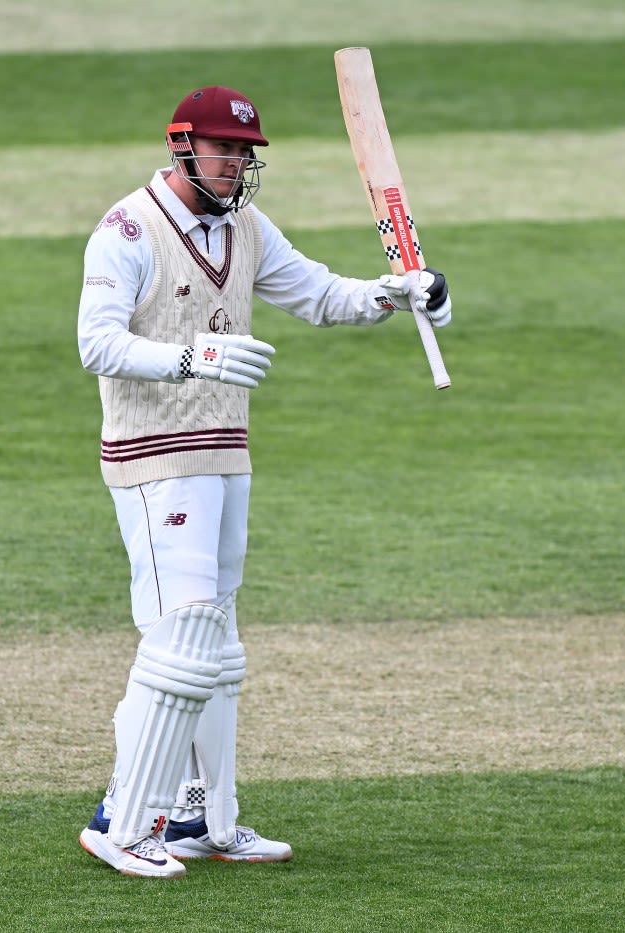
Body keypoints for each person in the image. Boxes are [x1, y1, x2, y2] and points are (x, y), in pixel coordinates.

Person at [75, 85, 452, 879]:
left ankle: (203, 819)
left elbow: (319, 295)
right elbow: (97, 344)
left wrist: (394, 293)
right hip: (154, 457)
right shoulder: (127, 230)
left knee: (214, 644)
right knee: (179, 642)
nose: (240, 164)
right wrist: (193, 356)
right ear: (184, 147)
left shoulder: (244, 225)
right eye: (227, 150)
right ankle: (120, 820)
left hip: (226, 452)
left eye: (247, 152)